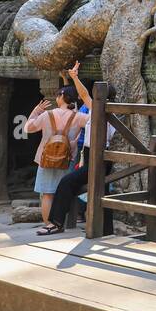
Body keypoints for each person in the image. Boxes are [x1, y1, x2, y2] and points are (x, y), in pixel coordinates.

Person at [39, 63, 116, 235]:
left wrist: (74, 77)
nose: (92, 97)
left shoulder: (101, 110)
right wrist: (70, 78)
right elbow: (83, 96)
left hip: (97, 159)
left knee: (66, 183)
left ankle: (56, 223)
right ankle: (106, 230)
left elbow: (83, 94)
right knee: (103, 191)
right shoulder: (102, 111)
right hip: (93, 157)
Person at [25, 86, 87, 225]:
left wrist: (36, 111)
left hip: (45, 159)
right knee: (64, 191)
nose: (56, 98)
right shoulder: (78, 117)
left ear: (62, 96)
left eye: (57, 95)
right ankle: (62, 223)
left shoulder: (47, 115)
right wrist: (76, 141)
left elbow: (28, 128)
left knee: (47, 194)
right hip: (67, 159)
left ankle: (48, 225)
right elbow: (94, 121)